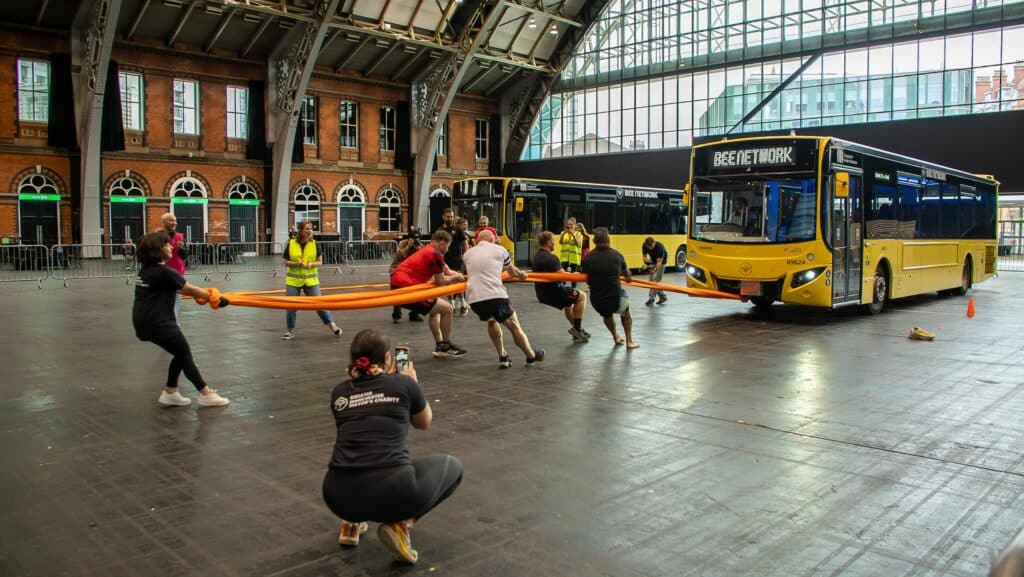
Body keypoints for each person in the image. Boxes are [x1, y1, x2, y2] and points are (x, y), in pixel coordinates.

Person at [323, 329, 463, 564]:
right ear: (388, 358)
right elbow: (423, 422)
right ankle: (401, 525)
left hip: (337, 494)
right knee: (453, 467)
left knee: (357, 452)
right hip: (391, 490)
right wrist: (413, 386)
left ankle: (351, 523)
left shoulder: (340, 391)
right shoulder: (403, 384)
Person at [132, 231, 229, 407]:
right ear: (157, 249)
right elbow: (189, 289)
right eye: (167, 244)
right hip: (160, 323)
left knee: (180, 352)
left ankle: (170, 391)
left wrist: (208, 296)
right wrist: (215, 298)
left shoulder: (146, 271)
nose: (171, 246)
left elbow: (177, 289)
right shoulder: (165, 272)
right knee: (184, 353)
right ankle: (205, 393)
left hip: (143, 323)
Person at [463, 230, 544, 369]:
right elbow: (512, 272)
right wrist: (522, 275)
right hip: (495, 295)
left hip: (474, 299)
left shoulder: (467, 254)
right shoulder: (500, 250)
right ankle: (531, 356)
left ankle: (503, 356)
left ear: (477, 240)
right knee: (514, 326)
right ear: (493, 239)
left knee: (492, 320)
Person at [390, 229, 468, 358]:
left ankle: (440, 345)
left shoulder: (428, 249)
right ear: (442, 244)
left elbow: (447, 271)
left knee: (436, 310)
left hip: (402, 283)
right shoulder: (435, 254)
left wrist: (462, 276)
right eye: (448, 246)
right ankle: (446, 345)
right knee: (447, 309)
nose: (448, 250)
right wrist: (457, 278)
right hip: (407, 287)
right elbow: (441, 282)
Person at [281, 221, 342, 340]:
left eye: (311, 229)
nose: (310, 231)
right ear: (300, 230)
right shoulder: (291, 243)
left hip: (311, 281)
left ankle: (332, 325)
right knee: (290, 306)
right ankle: (290, 330)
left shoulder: (314, 243)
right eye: (307, 229)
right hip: (293, 281)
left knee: (319, 305)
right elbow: (285, 261)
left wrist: (311, 264)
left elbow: (320, 262)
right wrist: (296, 264)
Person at [581, 227, 638, 349]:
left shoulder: (588, 258)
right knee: (626, 312)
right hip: (615, 298)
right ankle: (629, 341)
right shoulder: (617, 255)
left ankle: (615, 337)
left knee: (606, 315)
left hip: (597, 300)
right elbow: (628, 277)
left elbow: (585, 275)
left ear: (594, 241)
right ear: (608, 239)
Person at [532, 231, 591, 343]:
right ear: (549, 243)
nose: (555, 243)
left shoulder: (536, 257)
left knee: (568, 305)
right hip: (554, 292)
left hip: (542, 293)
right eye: (553, 241)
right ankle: (577, 329)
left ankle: (577, 329)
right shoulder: (551, 258)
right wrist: (575, 276)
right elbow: (563, 276)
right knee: (582, 296)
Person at [437, 208, 469, 317]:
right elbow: (436, 246)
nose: (449, 218)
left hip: (457, 259)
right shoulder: (440, 230)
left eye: (451, 216)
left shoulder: (458, 229)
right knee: (448, 283)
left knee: (458, 281)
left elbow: (465, 243)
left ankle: (463, 304)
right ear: (443, 217)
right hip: (445, 261)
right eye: (447, 217)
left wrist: (467, 256)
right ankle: (452, 305)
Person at [391, 228, 427, 323]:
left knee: (417, 293)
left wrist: (419, 249)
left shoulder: (419, 245)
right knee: (398, 293)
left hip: (411, 272)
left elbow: (424, 257)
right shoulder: (403, 243)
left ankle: (414, 314)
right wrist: (408, 246)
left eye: (417, 238)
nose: (415, 240)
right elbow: (400, 255)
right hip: (398, 271)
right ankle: (397, 315)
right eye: (413, 238)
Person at [158, 212, 188, 319]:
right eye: (171, 220)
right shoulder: (159, 236)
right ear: (164, 222)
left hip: (177, 270)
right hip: (163, 270)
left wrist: (182, 249)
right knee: (164, 297)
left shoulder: (179, 236)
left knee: (175, 298)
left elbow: (184, 256)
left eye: (174, 220)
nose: (174, 223)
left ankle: (172, 320)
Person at [642, 236, 668, 306]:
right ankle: (663, 297)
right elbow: (644, 259)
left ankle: (651, 299)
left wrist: (654, 271)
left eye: (652, 246)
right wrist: (648, 267)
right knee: (651, 281)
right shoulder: (644, 245)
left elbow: (659, 263)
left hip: (662, 263)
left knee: (655, 280)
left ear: (654, 243)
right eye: (649, 247)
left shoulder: (659, 247)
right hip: (654, 261)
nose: (650, 248)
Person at [559, 217, 583, 288]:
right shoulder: (563, 233)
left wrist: (573, 234)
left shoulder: (578, 234)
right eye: (568, 224)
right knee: (563, 275)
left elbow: (579, 244)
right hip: (564, 258)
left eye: (571, 224)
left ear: (575, 225)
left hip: (574, 258)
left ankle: (573, 290)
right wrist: (564, 233)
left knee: (574, 277)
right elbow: (560, 242)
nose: (569, 226)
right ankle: (562, 290)